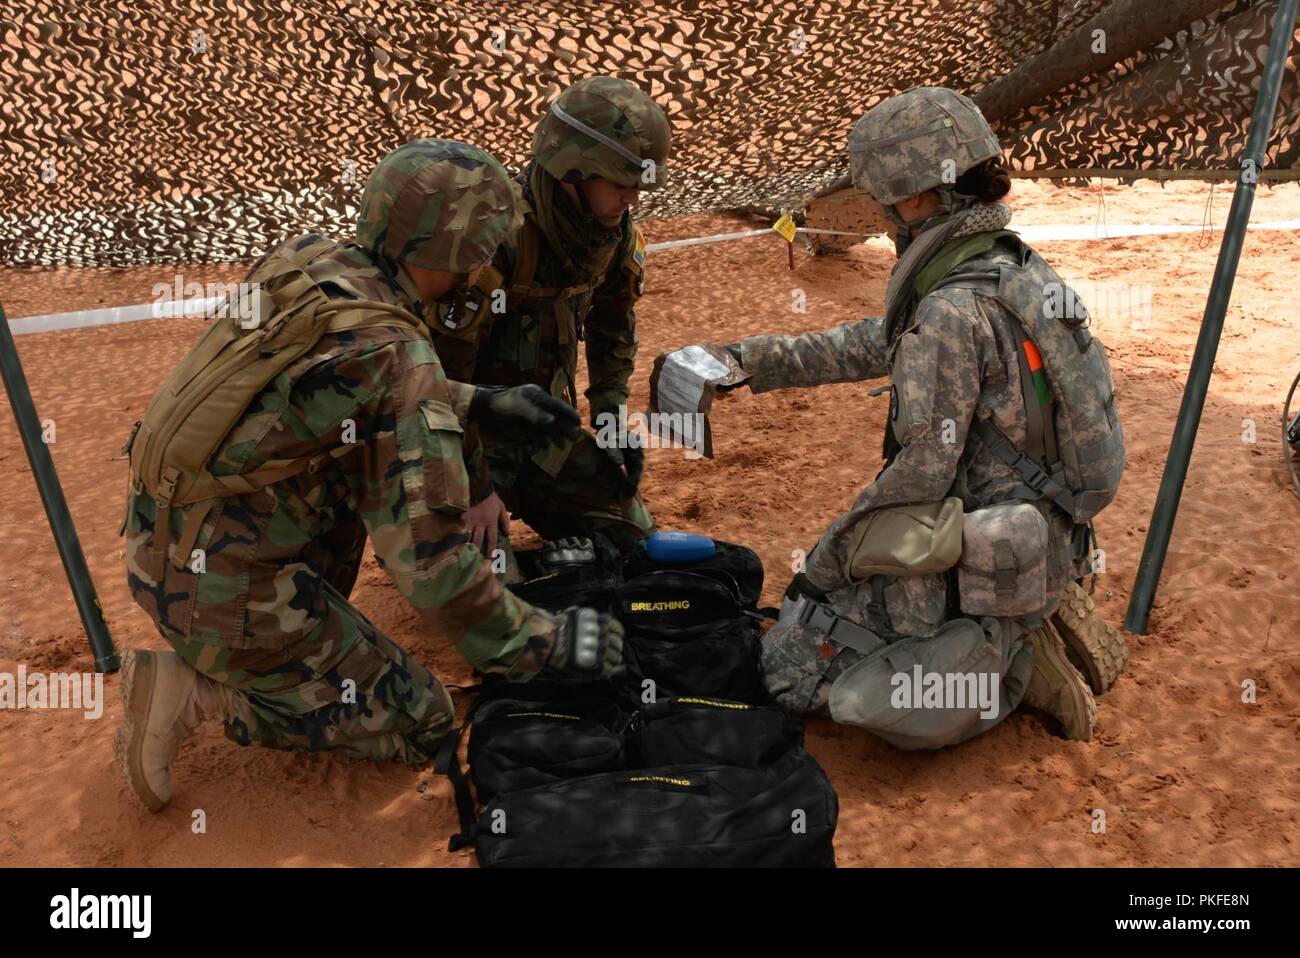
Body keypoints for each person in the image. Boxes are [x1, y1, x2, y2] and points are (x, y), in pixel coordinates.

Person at [116, 139, 624, 812]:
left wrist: (476, 400)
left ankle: (283, 651)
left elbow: (326, 389)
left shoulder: (308, 260)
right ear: (465, 250)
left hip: (162, 545)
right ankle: (205, 694)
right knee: (424, 720)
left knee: (350, 469)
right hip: (222, 597)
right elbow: (435, 572)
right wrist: (548, 642)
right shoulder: (399, 358)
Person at [712, 87, 1127, 747]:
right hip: (1044, 530)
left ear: (914, 199)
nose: (879, 216)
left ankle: (1009, 663)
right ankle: (1025, 618)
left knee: (796, 678)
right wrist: (751, 361)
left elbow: (921, 476)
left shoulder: (951, 308)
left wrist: (825, 563)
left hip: (977, 548)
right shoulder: (1009, 267)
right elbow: (882, 344)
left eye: (883, 199)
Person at [428, 76, 672, 561]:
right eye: (622, 185)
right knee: (497, 601)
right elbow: (435, 386)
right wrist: (475, 490)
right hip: (454, 449)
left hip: (542, 437)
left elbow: (612, 324)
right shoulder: (494, 241)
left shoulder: (611, 235)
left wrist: (609, 413)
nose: (633, 200)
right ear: (572, 171)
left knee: (636, 545)